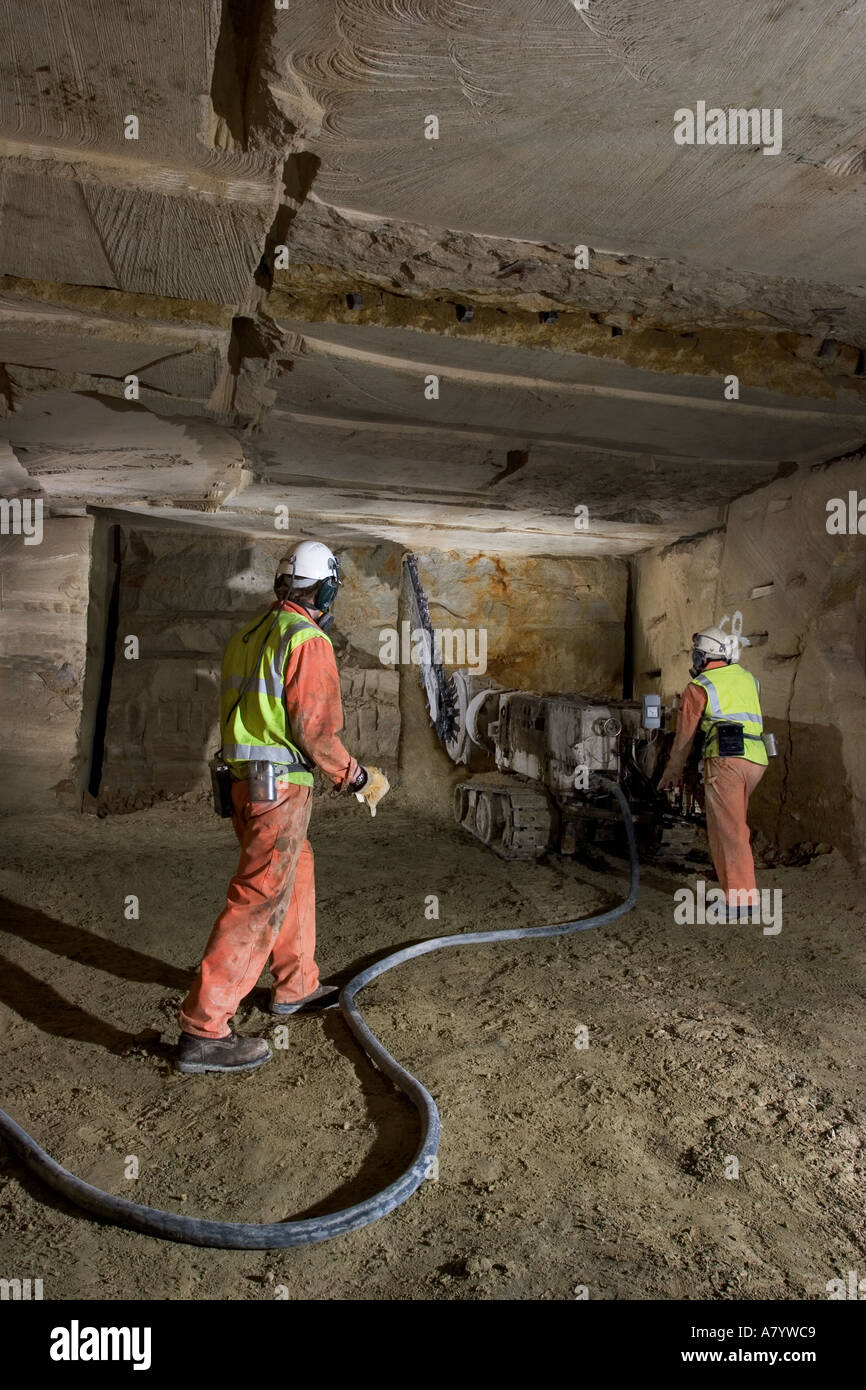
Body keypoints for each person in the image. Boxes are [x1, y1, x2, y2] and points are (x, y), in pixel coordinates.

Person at [176, 541, 389, 1074]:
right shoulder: (307, 639)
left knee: (297, 872)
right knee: (258, 901)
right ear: (327, 587)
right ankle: (204, 1030)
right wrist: (356, 776)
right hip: (282, 789)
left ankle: (296, 986)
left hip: (246, 787)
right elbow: (315, 732)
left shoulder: (248, 637)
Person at [658, 626, 768, 920]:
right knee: (735, 827)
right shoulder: (749, 679)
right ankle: (736, 886)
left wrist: (671, 771)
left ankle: (741, 902)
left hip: (726, 760)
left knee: (727, 832)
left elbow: (683, 739)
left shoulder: (700, 686)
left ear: (701, 656)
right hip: (756, 759)